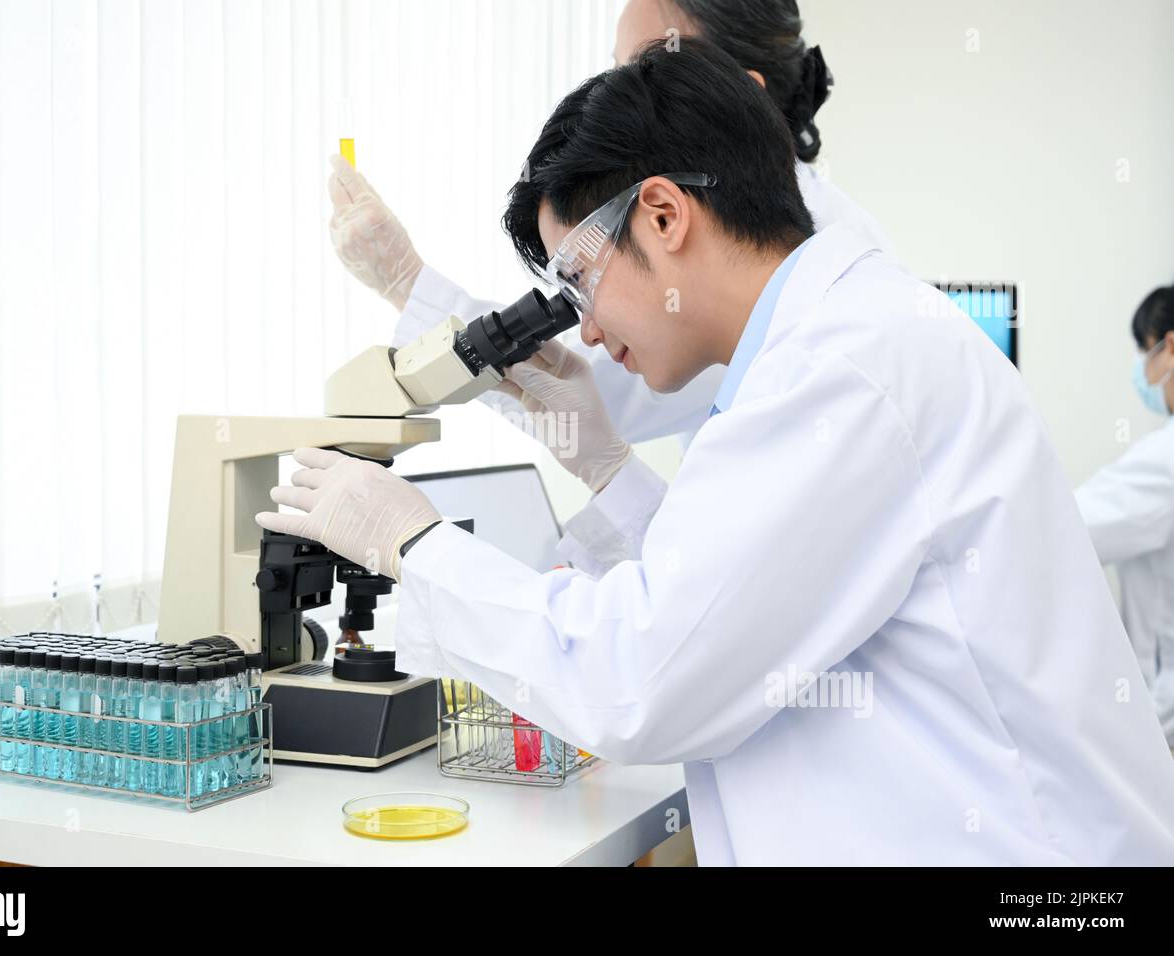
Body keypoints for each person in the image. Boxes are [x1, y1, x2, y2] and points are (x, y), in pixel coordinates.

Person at [257, 39, 1174, 865]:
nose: (581, 321)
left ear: (662, 216)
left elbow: (640, 680)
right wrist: (605, 467)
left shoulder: (841, 371)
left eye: (576, 278)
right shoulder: (826, 346)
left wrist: (415, 544)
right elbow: (733, 602)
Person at [328, 0, 896, 449]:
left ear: (733, 95)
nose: (622, 96)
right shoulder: (809, 245)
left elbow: (609, 389)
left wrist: (407, 282)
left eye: (649, 69)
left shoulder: (800, 274)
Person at [1075, 283, 1174, 747]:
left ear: (1169, 345)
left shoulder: (1165, 459)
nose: (1142, 369)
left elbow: (1070, 530)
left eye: (1144, 351)